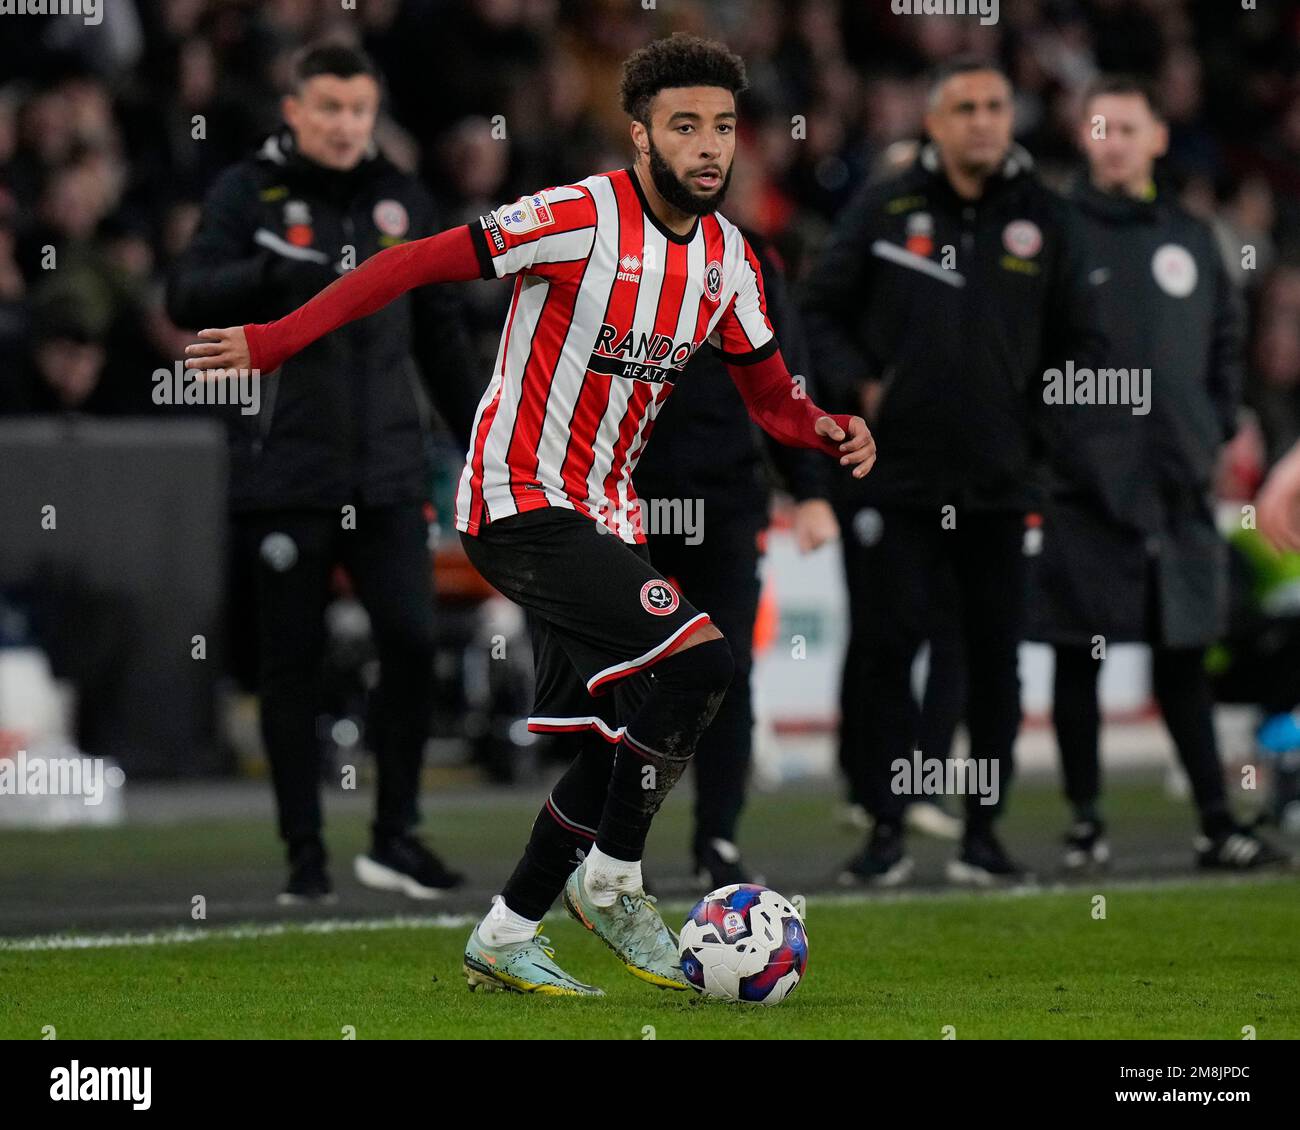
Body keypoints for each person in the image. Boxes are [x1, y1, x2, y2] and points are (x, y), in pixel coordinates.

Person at [182, 34, 875, 995]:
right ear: (641, 137)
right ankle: (616, 879)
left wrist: (826, 426)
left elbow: (769, 400)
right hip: (516, 501)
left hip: (605, 516)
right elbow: (410, 265)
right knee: (703, 662)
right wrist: (275, 340)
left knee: (607, 746)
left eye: (722, 126)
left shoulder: (728, 259)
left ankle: (506, 934)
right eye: (685, 127)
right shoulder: (578, 214)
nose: (710, 147)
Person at [167, 43, 475, 905]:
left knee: (412, 642)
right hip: (287, 471)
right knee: (290, 666)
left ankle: (395, 836)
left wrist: (486, 437)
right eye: (330, 109)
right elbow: (183, 295)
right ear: (294, 109)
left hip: (386, 474)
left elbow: (443, 338)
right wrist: (272, 275)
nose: (346, 126)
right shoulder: (248, 194)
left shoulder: (404, 201)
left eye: (360, 111)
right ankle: (305, 854)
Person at [802, 59, 1105, 887]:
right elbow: (817, 307)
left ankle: (982, 832)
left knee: (993, 659)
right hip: (896, 477)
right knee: (887, 648)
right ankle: (884, 826)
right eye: (964, 107)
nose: (982, 120)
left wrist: (1038, 426)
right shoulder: (887, 205)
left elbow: (1086, 340)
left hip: (1002, 484)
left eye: (995, 107)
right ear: (933, 123)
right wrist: (860, 383)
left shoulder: (1046, 215)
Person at [1031, 76, 1288, 872]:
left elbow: (1225, 352)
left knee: (1184, 655)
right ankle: (1084, 825)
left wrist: (1206, 436)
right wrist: (1065, 451)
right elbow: (1028, 361)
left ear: (1157, 139)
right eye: (1099, 127)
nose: (1112, 141)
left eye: (1127, 127)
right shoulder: (1054, 234)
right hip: (1083, 490)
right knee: (1081, 655)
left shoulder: (1195, 235)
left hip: (1177, 488)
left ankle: (1216, 822)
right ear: (1084, 139)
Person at [634, 228, 839, 888]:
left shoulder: (750, 258)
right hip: (620, 494)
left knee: (727, 672)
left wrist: (809, 490)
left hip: (724, 498)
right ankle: (606, 844)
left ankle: (716, 839)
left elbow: (785, 380)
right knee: (614, 674)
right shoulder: (606, 241)